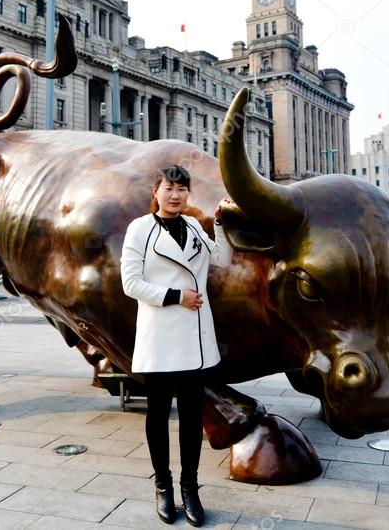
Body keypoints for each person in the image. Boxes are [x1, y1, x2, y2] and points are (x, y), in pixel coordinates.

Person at [120, 164, 233, 527]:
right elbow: (131, 284)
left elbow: (222, 259)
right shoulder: (140, 229)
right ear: (156, 191)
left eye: (182, 189)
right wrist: (175, 296)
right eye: (169, 188)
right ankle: (163, 486)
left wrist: (221, 224)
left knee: (190, 417)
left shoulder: (194, 228)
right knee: (157, 414)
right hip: (160, 334)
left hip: (195, 338)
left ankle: (190, 488)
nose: (175, 195)